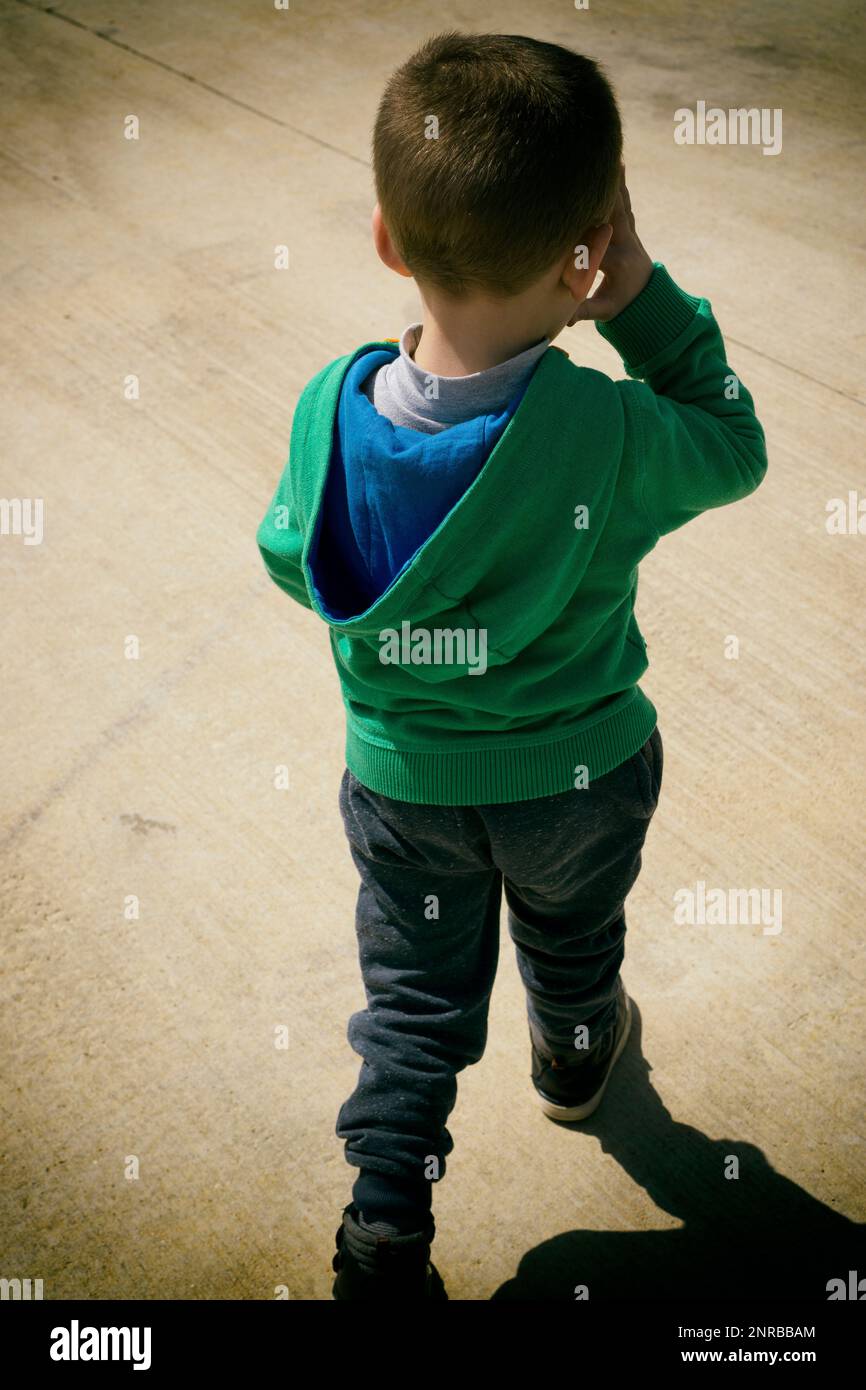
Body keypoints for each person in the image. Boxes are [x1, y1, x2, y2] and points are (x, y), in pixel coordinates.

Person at [256, 30, 768, 1301]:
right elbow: (733, 439)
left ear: (388, 238)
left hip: (402, 789)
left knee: (415, 1005)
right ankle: (574, 1060)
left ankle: (382, 1226)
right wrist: (639, 298)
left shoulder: (330, 403)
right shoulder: (607, 428)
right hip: (576, 779)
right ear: (585, 254)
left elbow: (284, 552)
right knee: (568, 934)